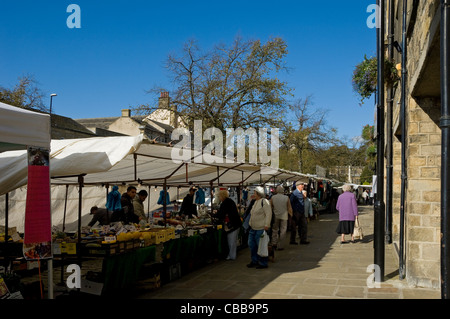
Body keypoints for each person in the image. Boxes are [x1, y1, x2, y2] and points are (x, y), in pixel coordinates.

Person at [247, 186, 272, 269]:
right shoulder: (255, 202)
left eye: (254, 192)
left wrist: (266, 225)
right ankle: (254, 260)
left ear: (258, 193)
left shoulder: (264, 202)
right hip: (253, 228)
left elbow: (268, 213)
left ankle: (263, 262)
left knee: (261, 246)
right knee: (252, 245)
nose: (253, 194)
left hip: (261, 228)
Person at [214, 190, 242, 260]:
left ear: (222, 196)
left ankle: (232, 256)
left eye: (219, 196)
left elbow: (221, 214)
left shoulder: (226, 202)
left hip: (233, 225)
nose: (219, 198)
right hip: (235, 224)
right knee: (232, 241)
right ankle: (231, 255)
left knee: (231, 241)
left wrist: (214, 215)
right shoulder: (229, 201)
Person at [270, 185, 292, 251]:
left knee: (275, 229)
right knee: (283, 231)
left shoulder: (273, 197)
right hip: (284, 216)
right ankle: (281, 245)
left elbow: (271, 206)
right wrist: (291, 215)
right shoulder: (286, 198)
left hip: (276, 215)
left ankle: (274, 243)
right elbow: (289, 207)